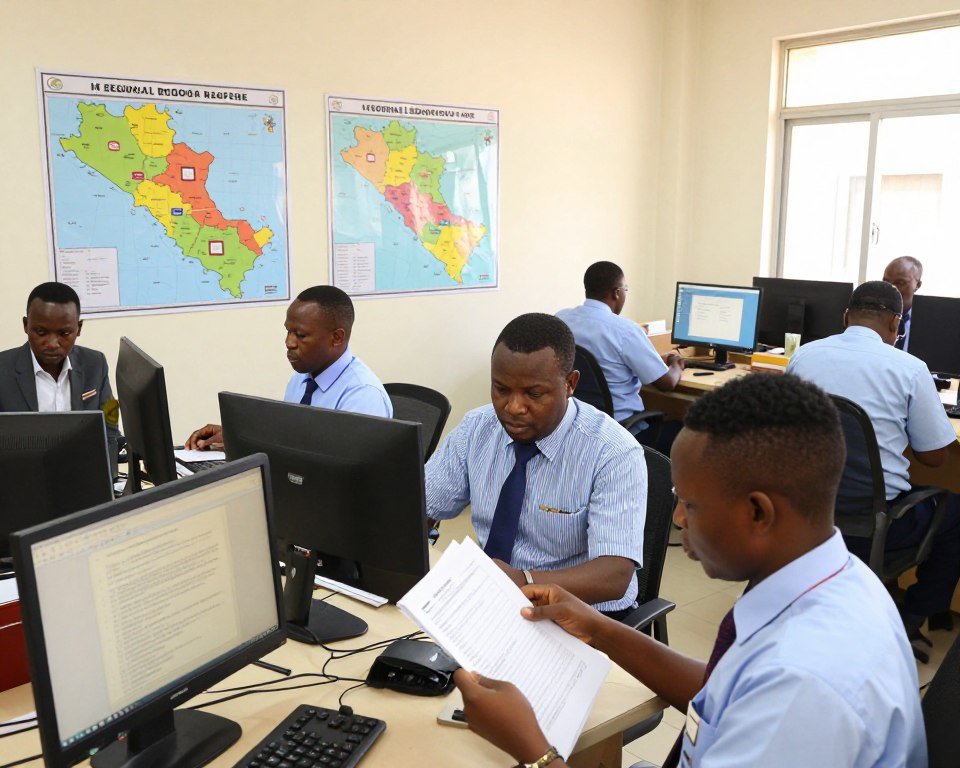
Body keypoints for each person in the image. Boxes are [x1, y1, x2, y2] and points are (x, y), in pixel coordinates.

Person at [454, 374, 926, 768]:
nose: (677, 519)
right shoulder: (837, 579)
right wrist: (597, 627)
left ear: (759, 513)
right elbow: (727, 692)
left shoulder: (801, 689)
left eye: (691, 504)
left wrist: (533, 752)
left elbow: (767, 693)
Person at [426, 313, 646, 617]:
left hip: (581, 615)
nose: (513, 408)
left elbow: (614, 576)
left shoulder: (613, 452)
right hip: (490, 600)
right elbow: (420, 508)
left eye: (533, 393)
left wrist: (523, 582)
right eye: (501, 389)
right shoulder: (477, 428)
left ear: (570, 384)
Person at [786, 280, 959, 649]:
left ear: (846, 317)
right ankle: (911, 617)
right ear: (897, 325)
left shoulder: (804, 356)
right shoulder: (910, 369)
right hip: (877, 524)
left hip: (809, 516)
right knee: (956, 512)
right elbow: (934, 458)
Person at [186, 285, 391, 450]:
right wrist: (237, 437)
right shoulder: (302, 379)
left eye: (301, 335)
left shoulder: (362, 396)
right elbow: (293, 443)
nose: (289, 342)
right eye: (288, 332)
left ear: (336, 338)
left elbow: (347, 474)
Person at [556, 261, 684, 446]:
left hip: (577, 427)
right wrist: (675, 364)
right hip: (621, 432)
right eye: (625, 289)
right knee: (683, 428)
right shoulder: (625, 331)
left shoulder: (561, 319)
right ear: (617, 293)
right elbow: (667, 383)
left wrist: (655, 360)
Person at [0, 282, 120, 475]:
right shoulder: (3, 370)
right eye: (41, 332)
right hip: (19, 479)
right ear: (25, 325)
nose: (52, 343)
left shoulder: (96, 363)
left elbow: (110, 423)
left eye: (64, 333)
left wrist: (109, 477)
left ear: (78, 328)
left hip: (81, 475)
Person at [882, 256, 923, 351]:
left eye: (900, 282)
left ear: (917, 285)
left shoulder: (927, 322)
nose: (891, 288)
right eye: (886, 281)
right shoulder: (873, 318)